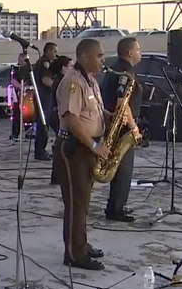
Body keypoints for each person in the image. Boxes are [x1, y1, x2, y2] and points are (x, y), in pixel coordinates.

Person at [54, 39, 116, 271]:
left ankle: (81, 243)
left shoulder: (89, 80)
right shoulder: (72, 81)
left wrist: (109, 116)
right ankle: (74, 254)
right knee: (76, 203)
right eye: (99, 55)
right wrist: (93, 145)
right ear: (84, 57)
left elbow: (90, 110)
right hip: (75, 149)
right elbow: (71, 118)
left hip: (86, 148)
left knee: (84, 201)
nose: (103, 59)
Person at [101, 37, 144, 222]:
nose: (140, 53)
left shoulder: (116, 68)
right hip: (122, 127)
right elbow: (122, 102)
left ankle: (116, 205)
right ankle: (116, 209)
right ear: (130, 53)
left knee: (120, 169)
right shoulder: (126, 72)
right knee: (123, 169)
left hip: (113, 124)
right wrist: (134, 127)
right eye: (139, 49)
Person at [47, 55, 74, 185]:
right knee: (62, 146)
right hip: (57, 115)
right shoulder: (63, 81)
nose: (73, 69)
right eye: (71, 66)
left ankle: (58, 176)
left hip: (55, 114)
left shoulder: (60, 80)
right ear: (63, 68)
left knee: (61, 146)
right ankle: (59, 176)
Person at [32, 43, 59, 160]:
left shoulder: (48, 63)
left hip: (47, 97)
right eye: (54, 51)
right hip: (43, 97)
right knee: (43, 124)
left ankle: (55, 148)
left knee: (53, 122)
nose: (56, 54)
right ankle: (40, 152)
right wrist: (59, 87)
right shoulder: (44, 63)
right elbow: (46, 79)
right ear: (48, 51)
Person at [9, 53, 27, 141]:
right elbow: (13, 80)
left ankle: (29, 132)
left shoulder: (29, 69)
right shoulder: (15, 69)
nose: (23, 62)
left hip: (28, 94)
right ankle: (15, 133)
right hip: (17, 95)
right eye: (22, 60)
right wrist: (21, 87)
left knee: (28, 113)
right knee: (16, 114)